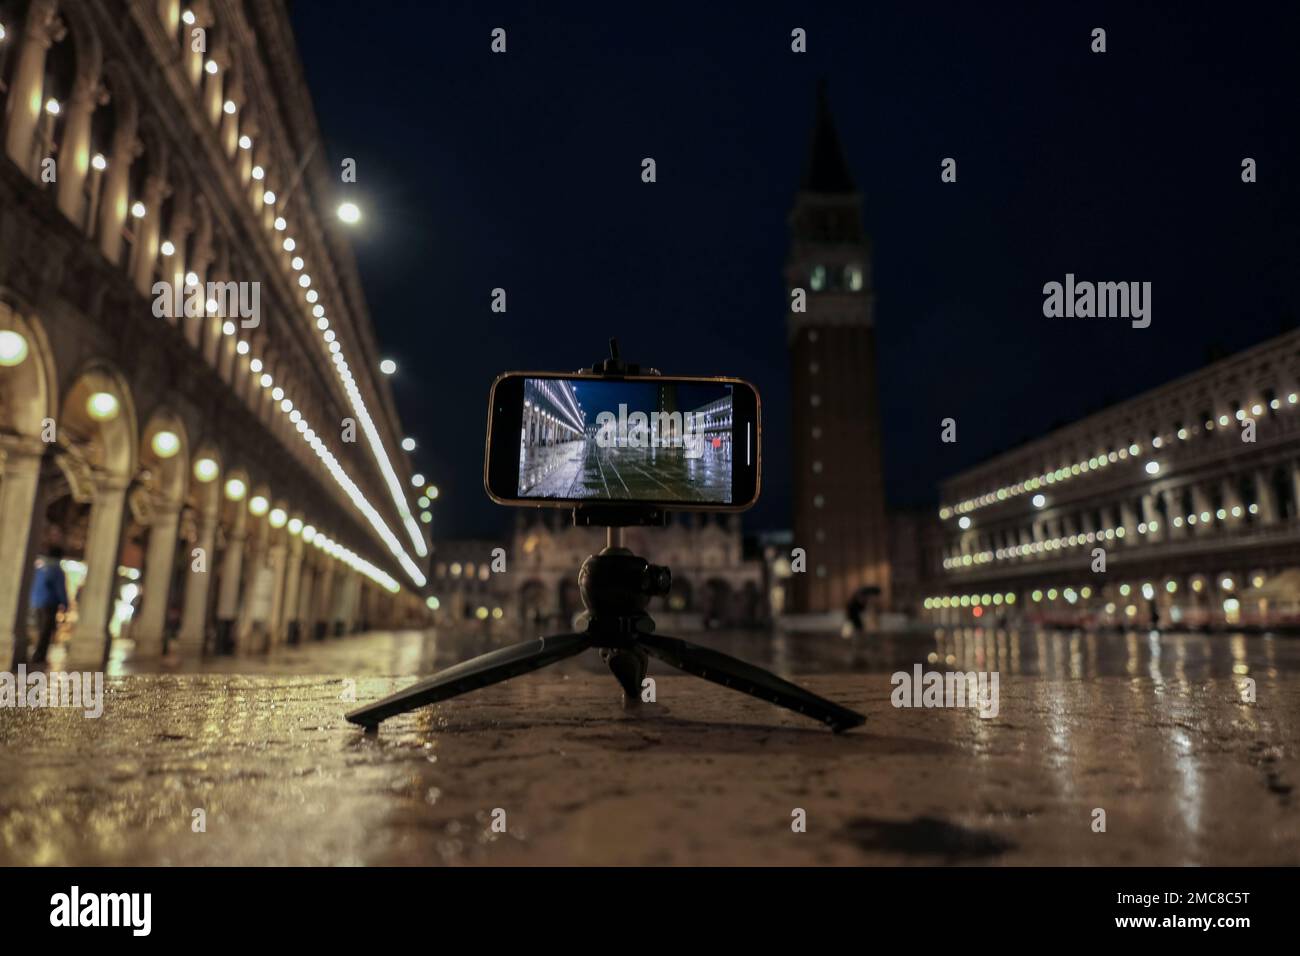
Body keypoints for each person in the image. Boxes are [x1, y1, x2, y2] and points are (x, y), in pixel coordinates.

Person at [29, 545, 69, 664]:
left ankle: (37, 654)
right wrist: (65, 604)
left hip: (36, 602)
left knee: (39, 629)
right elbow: (60, 589)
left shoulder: (40, 567)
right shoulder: (56, 570)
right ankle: (39, 656)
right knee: (46, 631)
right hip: (49, 604)